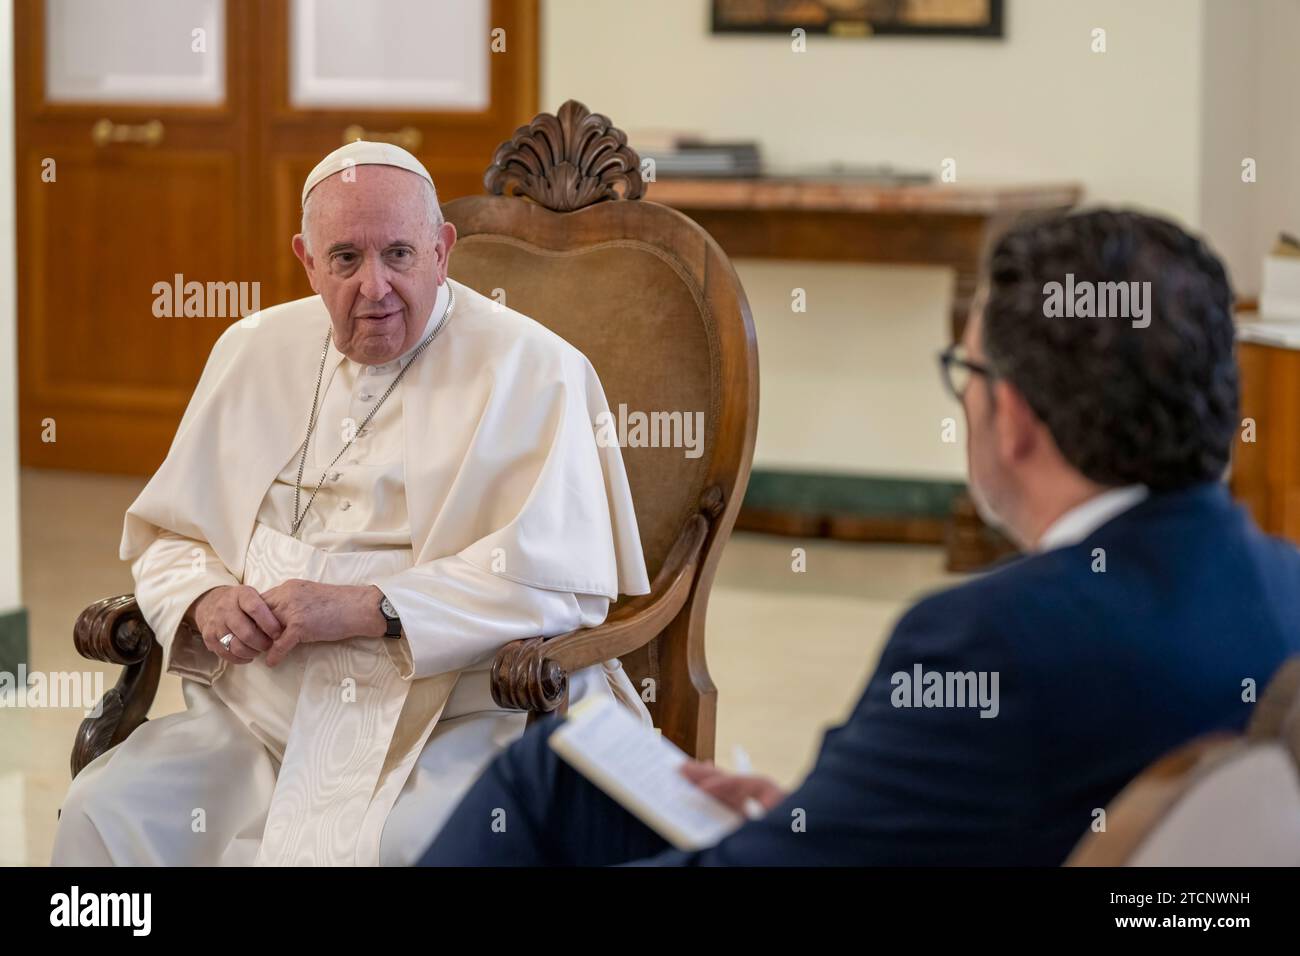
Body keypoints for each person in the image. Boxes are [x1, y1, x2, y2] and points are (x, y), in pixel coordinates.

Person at [420, 209, 1300, 866]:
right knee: (568, 774)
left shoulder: (983, 641)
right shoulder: (1286, 590)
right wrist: (828, 807)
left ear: (1016, 419)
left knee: (536, 784)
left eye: (965, 372)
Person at [52, 141, 650, 867]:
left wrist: (372, 608)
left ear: (442, 249)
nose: (375, 288)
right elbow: (173, 534)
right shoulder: (252, 349)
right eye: (345, 259)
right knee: (106, 811)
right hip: (258, 717)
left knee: (410, 848)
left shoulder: (539, 371)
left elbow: (555, 586)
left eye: (400, 254)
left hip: (449, 714)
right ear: (306, 259)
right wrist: (207, 598)